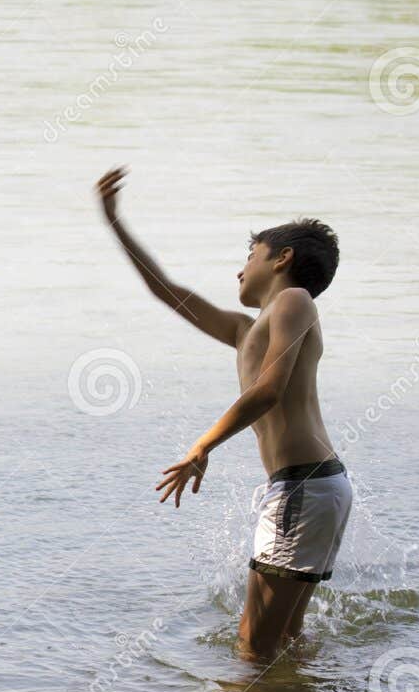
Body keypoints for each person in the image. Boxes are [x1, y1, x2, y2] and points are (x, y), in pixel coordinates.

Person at [96, 166, 352, 662]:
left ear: (283, 259)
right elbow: (166, 291)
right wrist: (116, 224)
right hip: (309, 486)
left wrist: (201, 446)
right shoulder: (244, 329)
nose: (240, 270)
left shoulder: (294, 301)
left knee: (253, 647)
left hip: (304, 486)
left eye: (249, 257)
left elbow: (269, 390)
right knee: (285, 639)